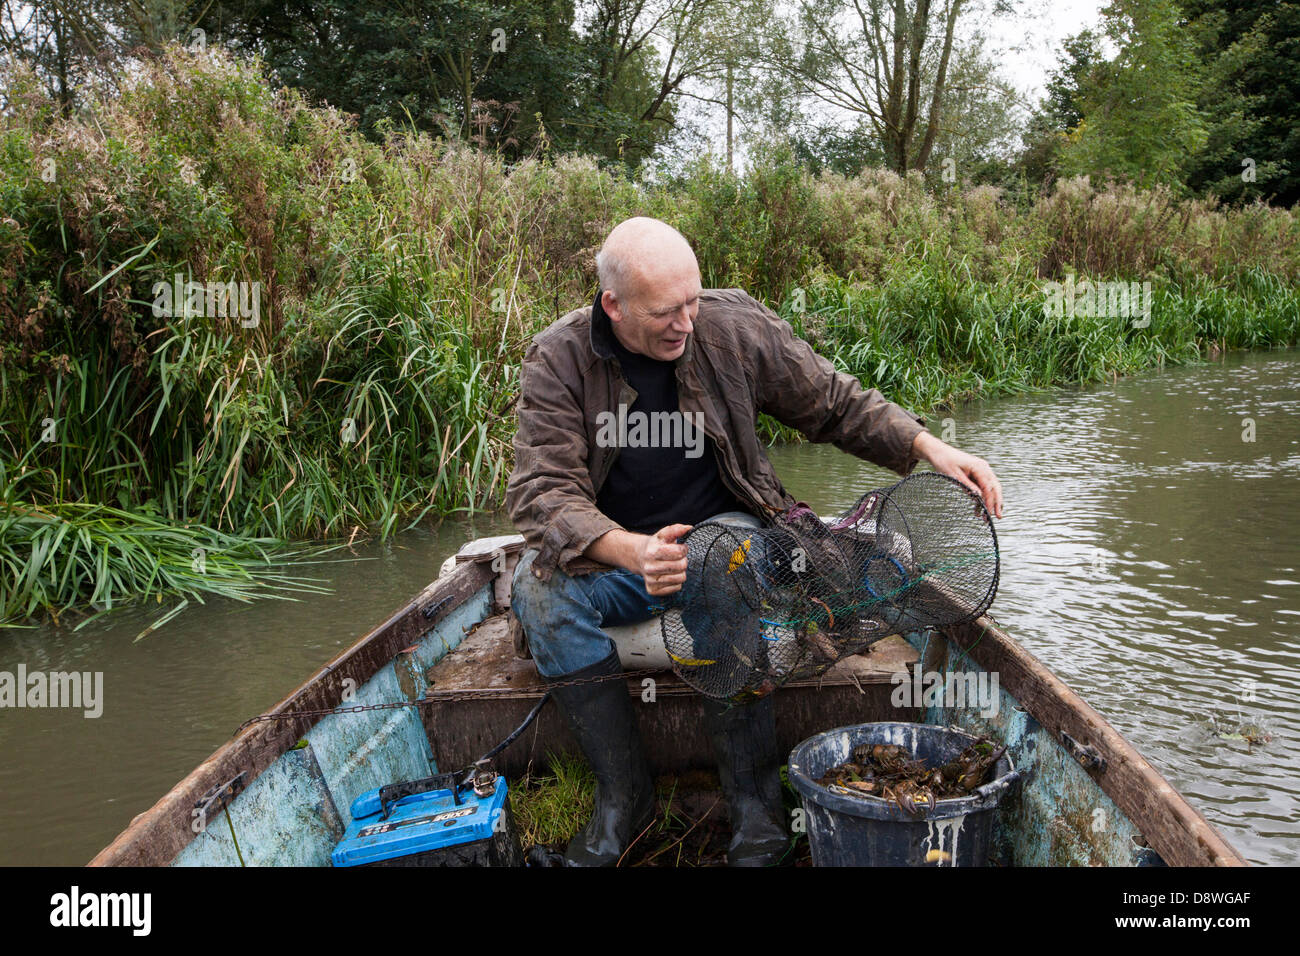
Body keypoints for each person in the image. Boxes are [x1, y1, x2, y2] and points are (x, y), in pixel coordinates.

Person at [507, 216, 1004, 867]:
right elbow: (543, 494)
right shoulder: (559, 358)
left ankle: (754, 805)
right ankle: (623, 799)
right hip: (622, 556)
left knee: (723, 559)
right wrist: (632, 551)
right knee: (536, 595)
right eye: (665, 312)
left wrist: (927, 446)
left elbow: (832, 402)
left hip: (734, 536)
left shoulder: (731, 325)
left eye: (692, 301)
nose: (686, 323)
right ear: (613, 305)